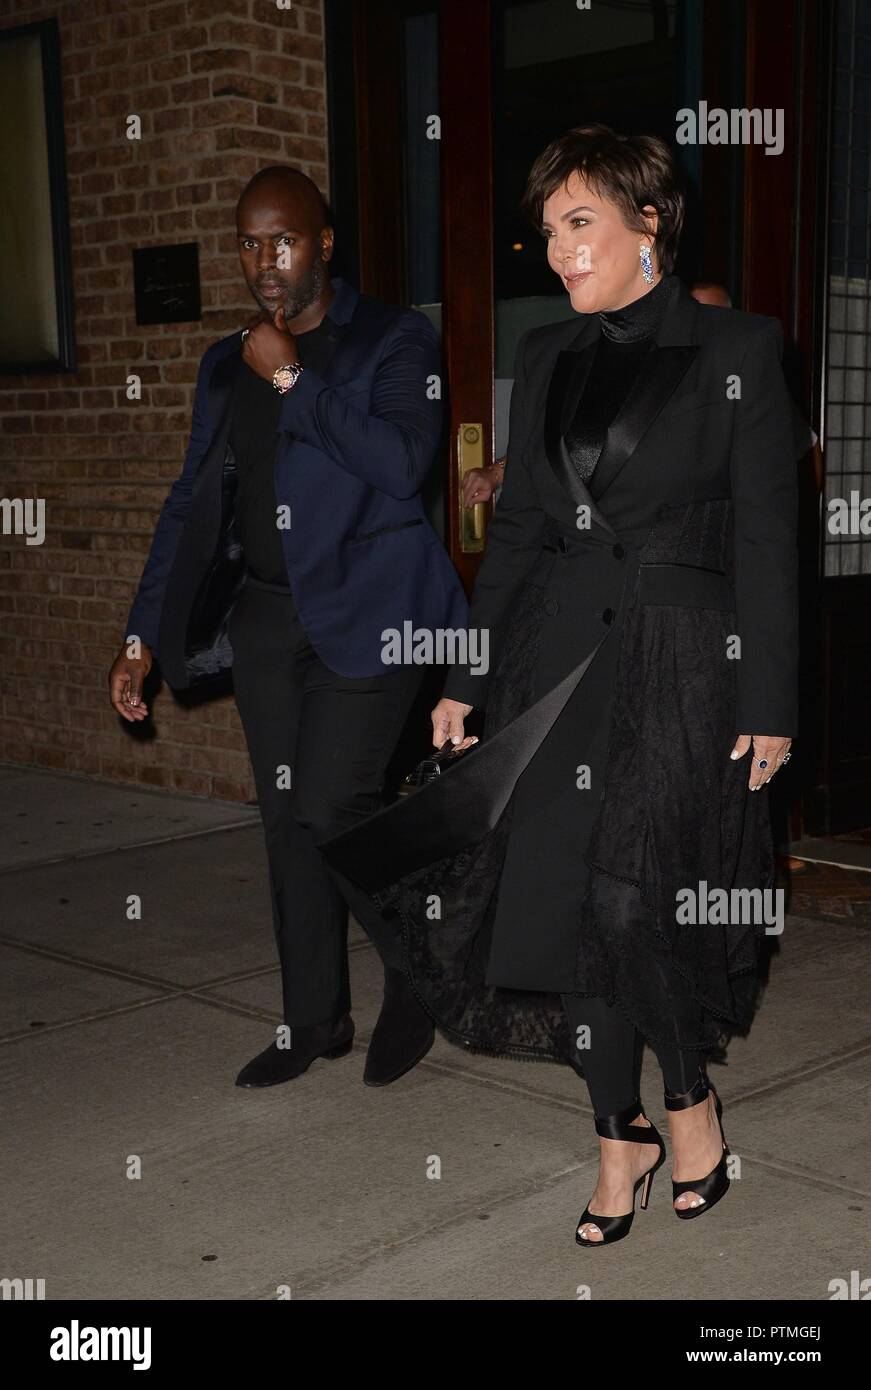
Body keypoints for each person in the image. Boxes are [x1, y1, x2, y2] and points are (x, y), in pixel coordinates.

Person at [324, 124, 799, 1246]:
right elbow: (526, 531)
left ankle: (688, 1101)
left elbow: (773, 541)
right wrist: (467, 677)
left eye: (578, 223)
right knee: (564, 907)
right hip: (557, 662)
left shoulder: (739, 349)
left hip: (683, 660)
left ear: (649, 224)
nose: (557, 251)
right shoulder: (547, 359)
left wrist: (770, 698)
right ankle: (613, 1131)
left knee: (637, 901)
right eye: (546, 233)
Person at [108, 166, 468, 1091]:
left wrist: (295, 377)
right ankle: (313, 1021)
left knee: (329, 805)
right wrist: (142, 635)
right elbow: (190, 503)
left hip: (377, 614)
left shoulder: (396, 339)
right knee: (284, 827)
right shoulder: (222, 366)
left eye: (285, 241)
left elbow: (400, 464)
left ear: (325, 243)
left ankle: (420, 971)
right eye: (248, 243)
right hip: (268, 620)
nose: (264, 262)